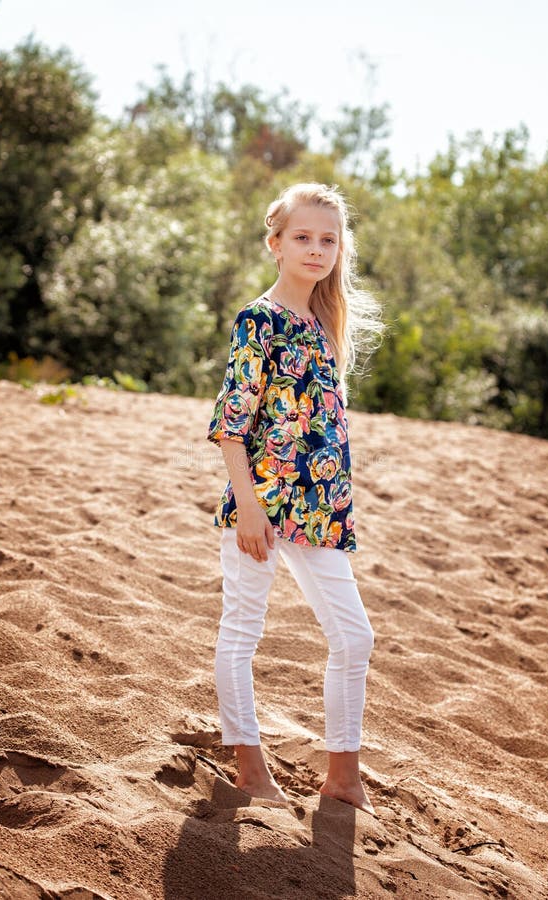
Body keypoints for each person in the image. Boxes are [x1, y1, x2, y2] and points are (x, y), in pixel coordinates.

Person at [206, 182, 385, 816]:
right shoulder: (260, 319)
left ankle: (342, 777)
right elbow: (232, 422)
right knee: (243, 631)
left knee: (354, 636)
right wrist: (248, 505)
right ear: (276, 244)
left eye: (328, 239)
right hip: (262, 507)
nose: (316, 249)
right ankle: (250, 767)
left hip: (321, 510)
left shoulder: (324, 321)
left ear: (341, 249)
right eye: (302, 237)